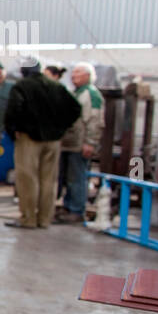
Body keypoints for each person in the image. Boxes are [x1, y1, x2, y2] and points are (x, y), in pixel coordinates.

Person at [3, 55, 81, 229]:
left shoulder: (22, 86)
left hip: (28, 139)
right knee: (49, 180)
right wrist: (61, 128)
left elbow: (12, 111)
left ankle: (28, 219)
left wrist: (13, 130)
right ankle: (45, 219)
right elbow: (76, 108)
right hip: (53, 141)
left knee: (28, 179)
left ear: (24, 71)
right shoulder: (57, 86)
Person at [57, 62, 104, 223]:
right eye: (73, 73)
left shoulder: (91, 94)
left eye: (77, 73)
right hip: (70, 143)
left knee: (77, 177)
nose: (73, 76)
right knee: (69, 177)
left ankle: (77, 210)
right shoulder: (77, 92)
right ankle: (69, 206)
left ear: (87, 76)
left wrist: (90, 142)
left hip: (80, 143)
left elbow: (95, 120)